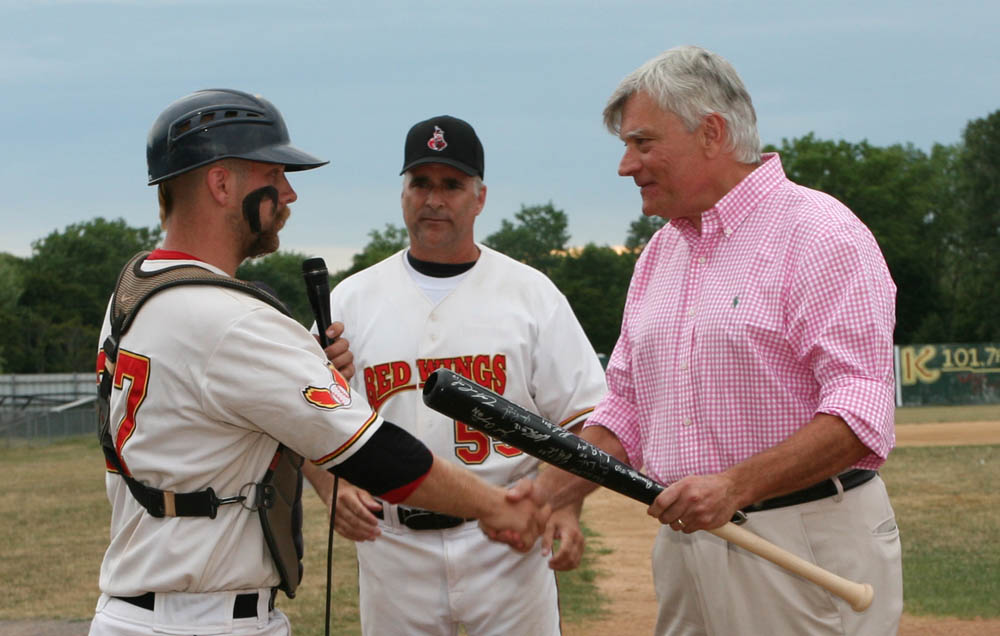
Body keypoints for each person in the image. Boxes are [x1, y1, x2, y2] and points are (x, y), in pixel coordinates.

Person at [89, 89, 547, 636]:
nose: (288, 193)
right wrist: (497, 506)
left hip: (141, 607)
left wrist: (312, 377)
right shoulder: (231, 319)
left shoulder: (140, 286)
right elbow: (382, 457)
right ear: (220, 184)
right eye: (275, 174)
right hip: (203, 617)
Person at [519, 46, 904, 635]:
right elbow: (625, 411)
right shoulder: (658, 255)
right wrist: (545, 492)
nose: (626, 165)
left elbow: (859, 413)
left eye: (642, 143)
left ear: (712, 133)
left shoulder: (821, 234)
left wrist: (734, 487)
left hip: (804, 544)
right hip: (687, 551)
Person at [304, 115, 607, 635]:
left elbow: (588, 418)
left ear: (480, 196)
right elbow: (299, 409)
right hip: (391, 543)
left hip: (507, 546)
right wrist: (326, 485)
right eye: (420, 183)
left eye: (452, 185)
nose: (434, 198)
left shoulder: (530, 294)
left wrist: (562, 501)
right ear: (403, 193)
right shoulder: (350, 300)